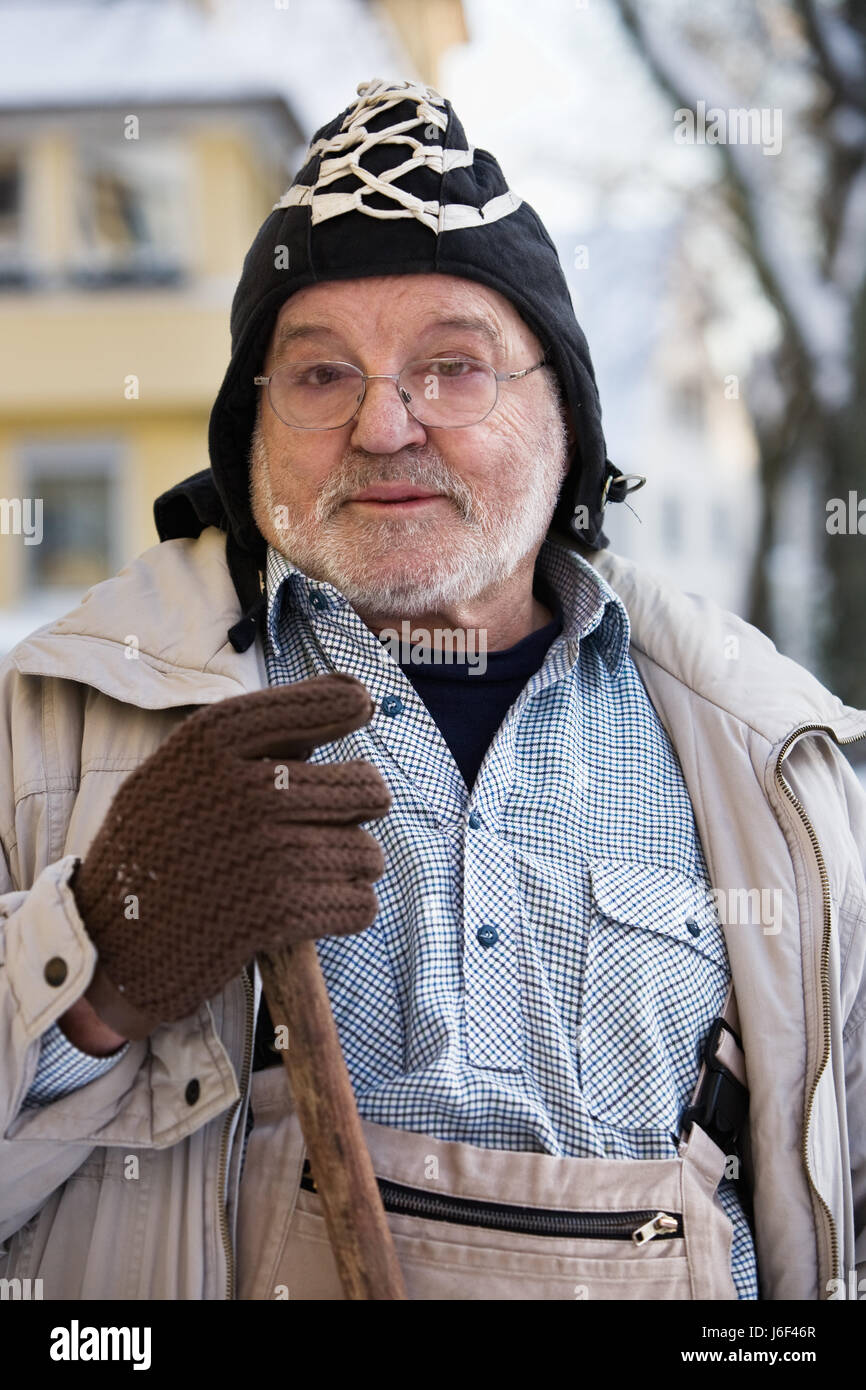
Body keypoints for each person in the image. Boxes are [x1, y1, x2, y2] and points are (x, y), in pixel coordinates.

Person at [1, 76, 864, 1302]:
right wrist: (89, 972)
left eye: (453, 367)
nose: (383, 425)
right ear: (247, 435)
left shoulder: (769, 762)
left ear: (564, 413)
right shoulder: (49, 725)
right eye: (317, 376)